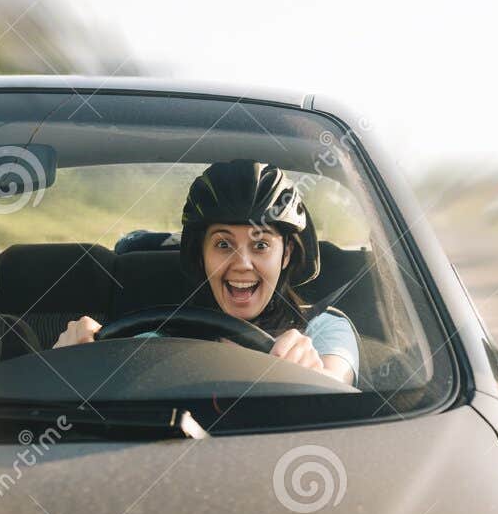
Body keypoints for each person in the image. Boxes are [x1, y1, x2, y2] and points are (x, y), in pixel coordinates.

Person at [53, 160, 359, 385]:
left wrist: (315, 376)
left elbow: (338, 384)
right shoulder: (160, 339)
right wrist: (73, 360)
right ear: (202, 255)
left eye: (261, 245)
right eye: (224, 244)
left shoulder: (323, 330)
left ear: (286, 254)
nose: (242, 263)